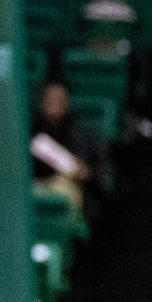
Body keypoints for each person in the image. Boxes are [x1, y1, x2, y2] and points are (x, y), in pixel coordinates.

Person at [31, 80, 106, 213]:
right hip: (35, 193)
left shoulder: (80, 132)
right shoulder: (31, 130)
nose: (54, 106)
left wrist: (83, 172)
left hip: (70, 197)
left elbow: (98, 175)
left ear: (67, 102)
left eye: (59, 101)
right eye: (50, 101)